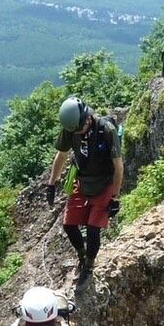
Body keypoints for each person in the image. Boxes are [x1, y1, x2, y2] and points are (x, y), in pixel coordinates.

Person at [47, 95, 123, 285]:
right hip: (81, 179)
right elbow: (62, 155)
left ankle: (89, 264)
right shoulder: (70, 129)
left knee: (93, 229)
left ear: (87, 118)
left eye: (81, 128)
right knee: (69, 224)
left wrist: (115, 197)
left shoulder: (107, 130)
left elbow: (118, 166)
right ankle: (81, 255)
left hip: (104, 182)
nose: (79, 132)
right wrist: (51, 183)